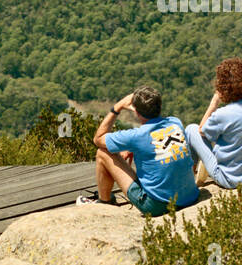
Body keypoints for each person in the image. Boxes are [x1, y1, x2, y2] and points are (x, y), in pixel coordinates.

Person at [77, 84, 200, 215]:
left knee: (102, 153)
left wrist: (117, 107)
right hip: (189, 196)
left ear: (136, 112)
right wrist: (131, 149)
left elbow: (98, 139)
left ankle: (104, 202)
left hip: (156, 206)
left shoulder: (137, 136)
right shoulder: (176, 123)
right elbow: (161, 143)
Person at [186, 58, 242, 190]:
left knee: (191, 129)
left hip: (232, 179)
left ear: (221, 87)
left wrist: (214, 103)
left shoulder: (222, 114)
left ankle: (190, 177)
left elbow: (201, 131)